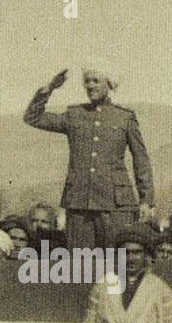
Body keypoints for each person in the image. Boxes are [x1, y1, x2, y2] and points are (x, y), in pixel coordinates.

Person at [23, 62, 154, 251]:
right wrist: (48, 89)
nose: (90, 86)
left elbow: (141, 159)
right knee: (80, 263)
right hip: (79, 203)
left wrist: (146, 199)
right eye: (86, 81)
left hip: (116, 205)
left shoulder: (124, 117)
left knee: (117, 259)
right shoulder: (74, 115)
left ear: (108, 84)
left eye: (95, 81)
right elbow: (33, 118)